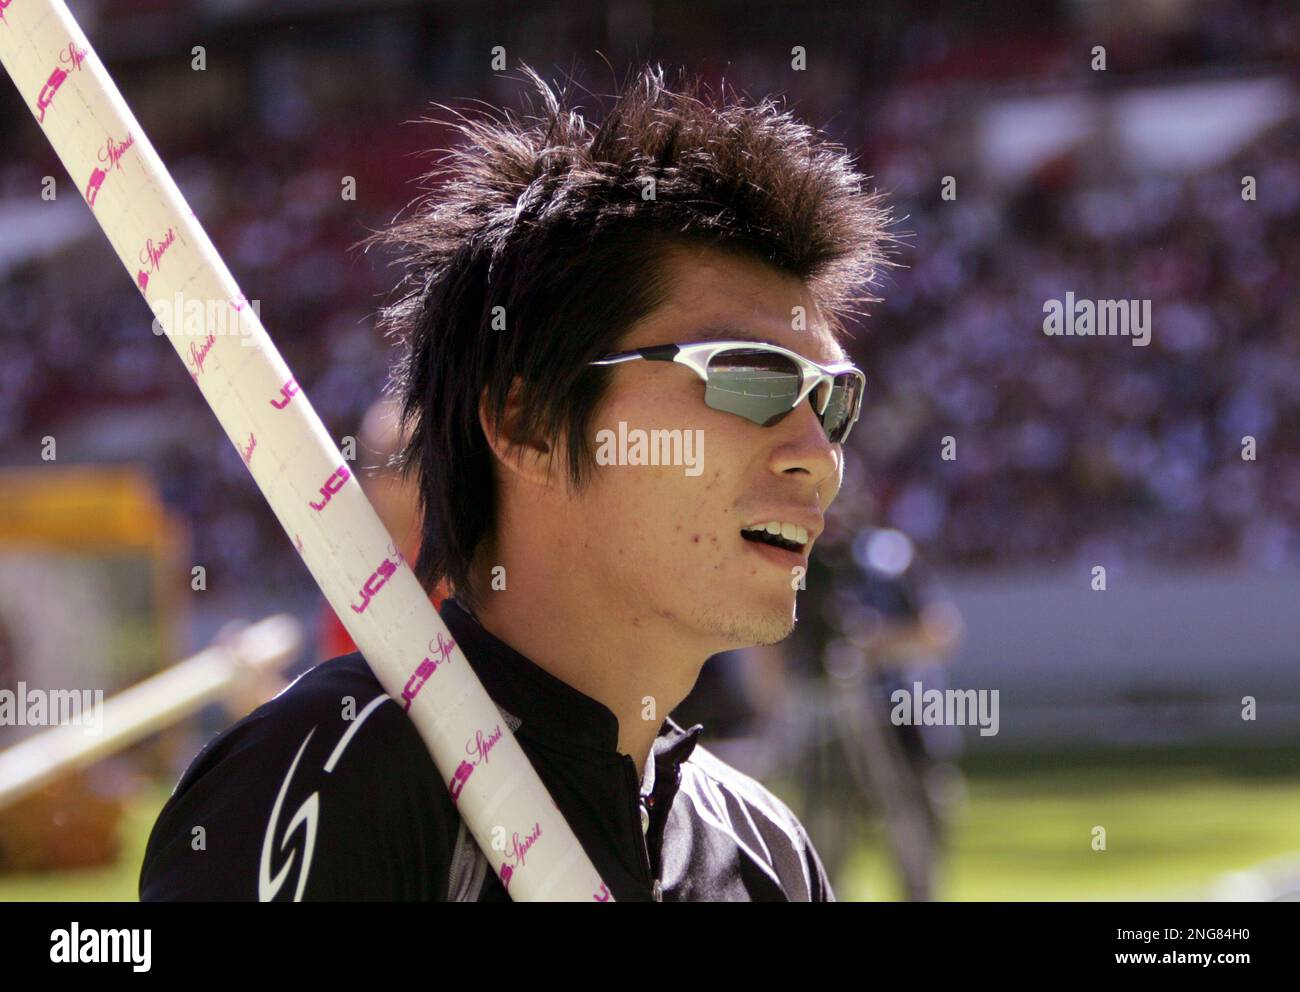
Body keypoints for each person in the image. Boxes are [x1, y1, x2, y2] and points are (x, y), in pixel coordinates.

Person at [139, 63, 893, 902]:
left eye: (833, 402)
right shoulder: (331, 783)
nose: (818, 456)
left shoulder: (767, 858)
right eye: (749, 378)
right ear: (529, 426)